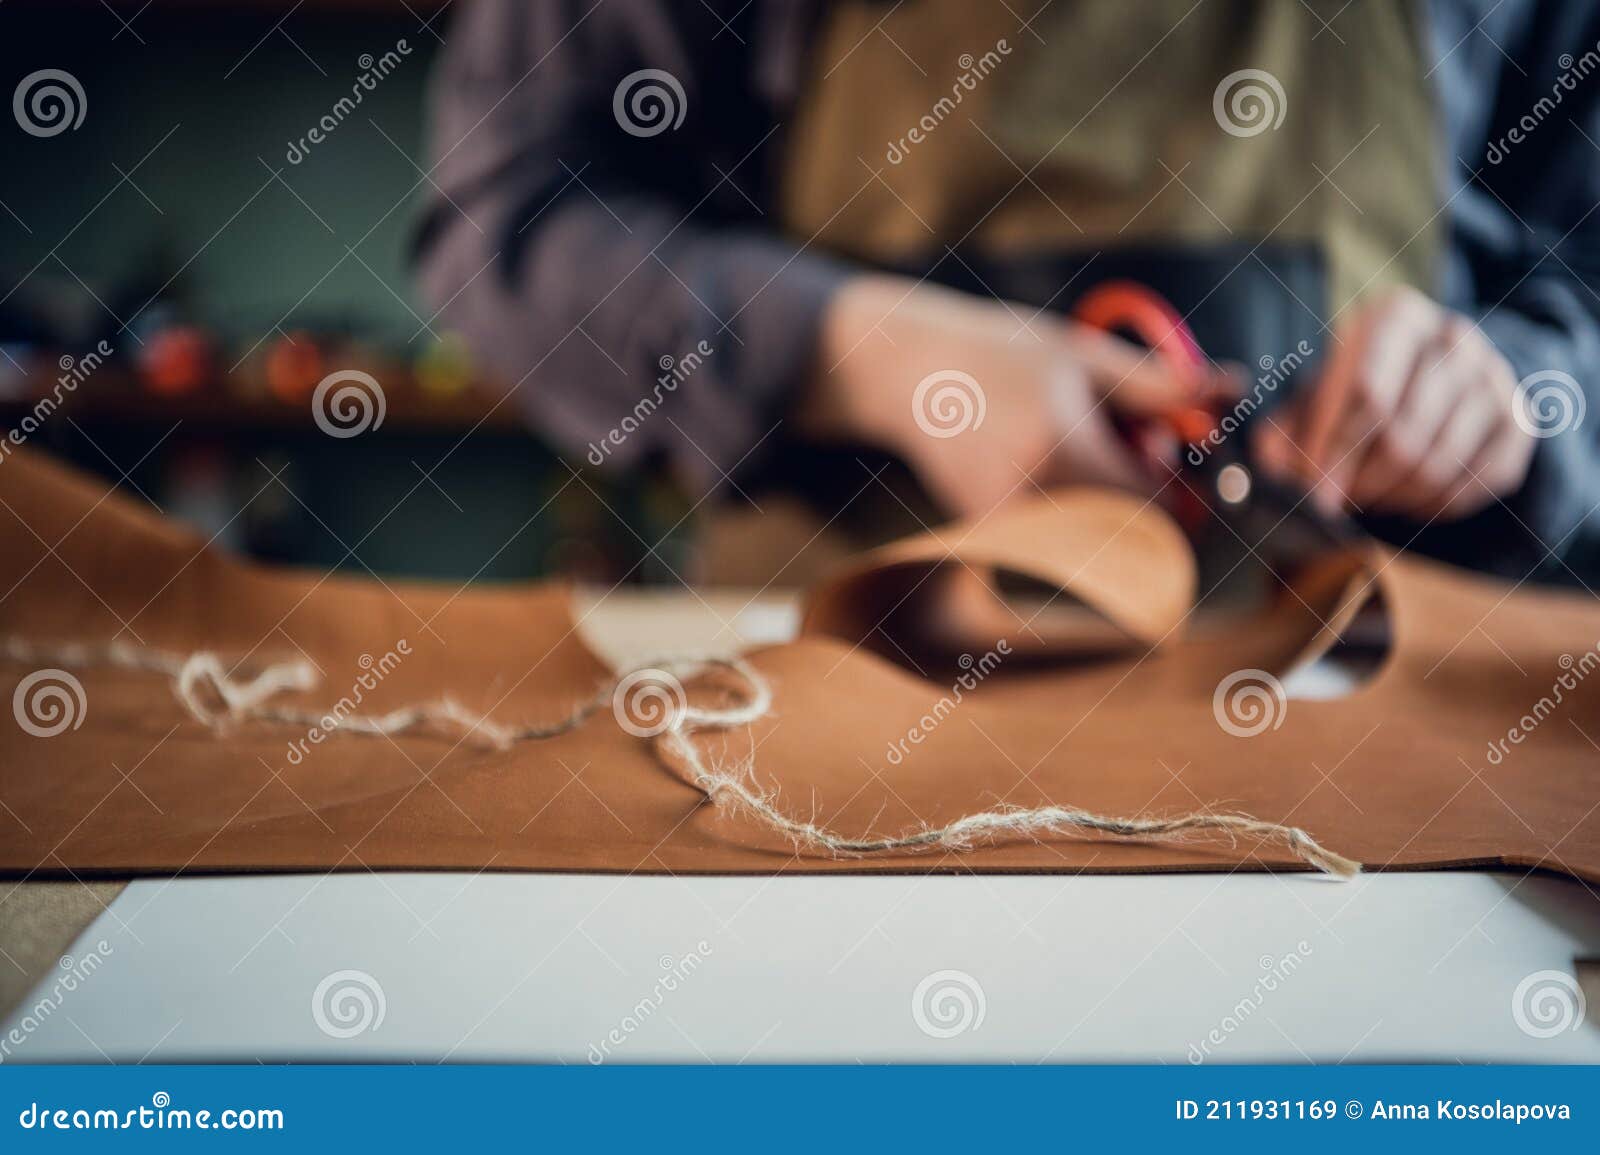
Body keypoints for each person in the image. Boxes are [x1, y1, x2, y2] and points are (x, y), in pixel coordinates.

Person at [414, 0, 1600, 583]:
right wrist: (870, 354)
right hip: (841, 711)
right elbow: (506, 223)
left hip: (1375, 742)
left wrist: (1525, 394)